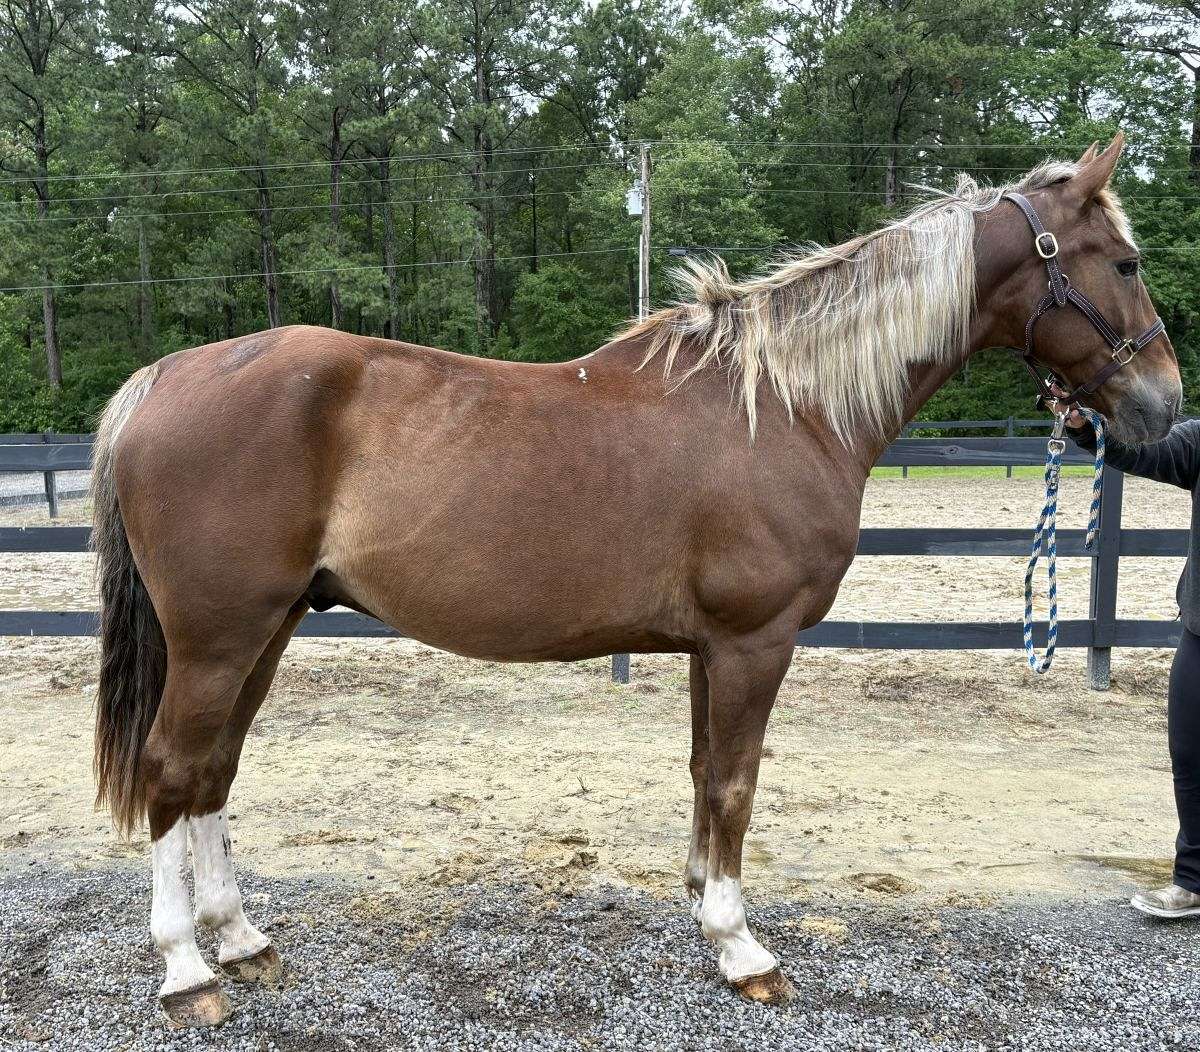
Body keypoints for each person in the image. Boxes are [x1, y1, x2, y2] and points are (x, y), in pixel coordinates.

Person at [1065, 400, 1200, 918]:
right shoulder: (1199, 442)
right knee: (1190, 757)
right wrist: (1086, 426)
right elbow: (1146, 452)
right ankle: (1193, 880)